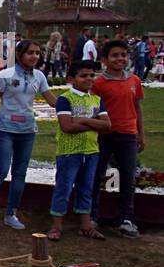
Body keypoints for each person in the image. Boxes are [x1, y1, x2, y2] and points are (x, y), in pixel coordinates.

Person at [0, 40, 58, 229]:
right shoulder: (5, 75)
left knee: (20, 174)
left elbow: (52, 101)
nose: (35, 56)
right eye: (30, 53)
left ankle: (11, 213)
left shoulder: (40, 76)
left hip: (28, 131)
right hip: (5, 130)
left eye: (37, 53)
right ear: (19, 55)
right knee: (1, 171)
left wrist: (75, 102)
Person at [48, 61, 112, 242]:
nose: (89, 79)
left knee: (86, 188)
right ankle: (56, 226)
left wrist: (83, 120)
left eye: (92, 75)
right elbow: (67, 126)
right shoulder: (65, 99)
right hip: (69, 152)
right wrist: (94, 123)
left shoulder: (97, 100)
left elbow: (107, 125)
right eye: (83, 75)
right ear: (71, 79)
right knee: (64, 188)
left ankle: (85, 226)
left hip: (91, 151)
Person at [91, 39, 146, 238]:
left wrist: (141, 134)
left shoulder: (134, 81)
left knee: (127, 177)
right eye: (115, 55)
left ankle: (126, 218)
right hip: (103, 135)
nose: (120, 59)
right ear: (105, 60)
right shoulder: (98, 83)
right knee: (96, 175)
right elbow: (92, 109)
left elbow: (137, 108)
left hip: (128, 134)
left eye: (123, 55)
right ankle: (92, 216)